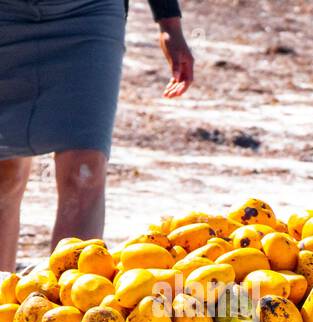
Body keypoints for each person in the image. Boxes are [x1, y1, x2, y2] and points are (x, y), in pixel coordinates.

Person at [0, 0, 193, 271]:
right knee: (5, 173)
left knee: (85, 170)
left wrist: (169, 22)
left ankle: (65, 306)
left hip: (88, 14)